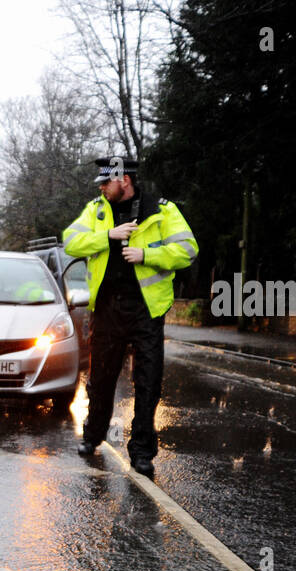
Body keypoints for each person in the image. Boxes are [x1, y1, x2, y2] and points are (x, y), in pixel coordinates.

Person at [62, 156, 197, 478]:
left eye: (105, 182)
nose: (101, 187)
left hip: (146, 310)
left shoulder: (162, 210)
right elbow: (70, 241)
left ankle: (141, 452)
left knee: (148, 383)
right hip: (107, 309)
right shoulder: (96, 210)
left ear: (124, 180)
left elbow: (188, 249)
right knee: (101, 380)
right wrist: (108, 234)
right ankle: (92, 436)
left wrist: (147, 254)